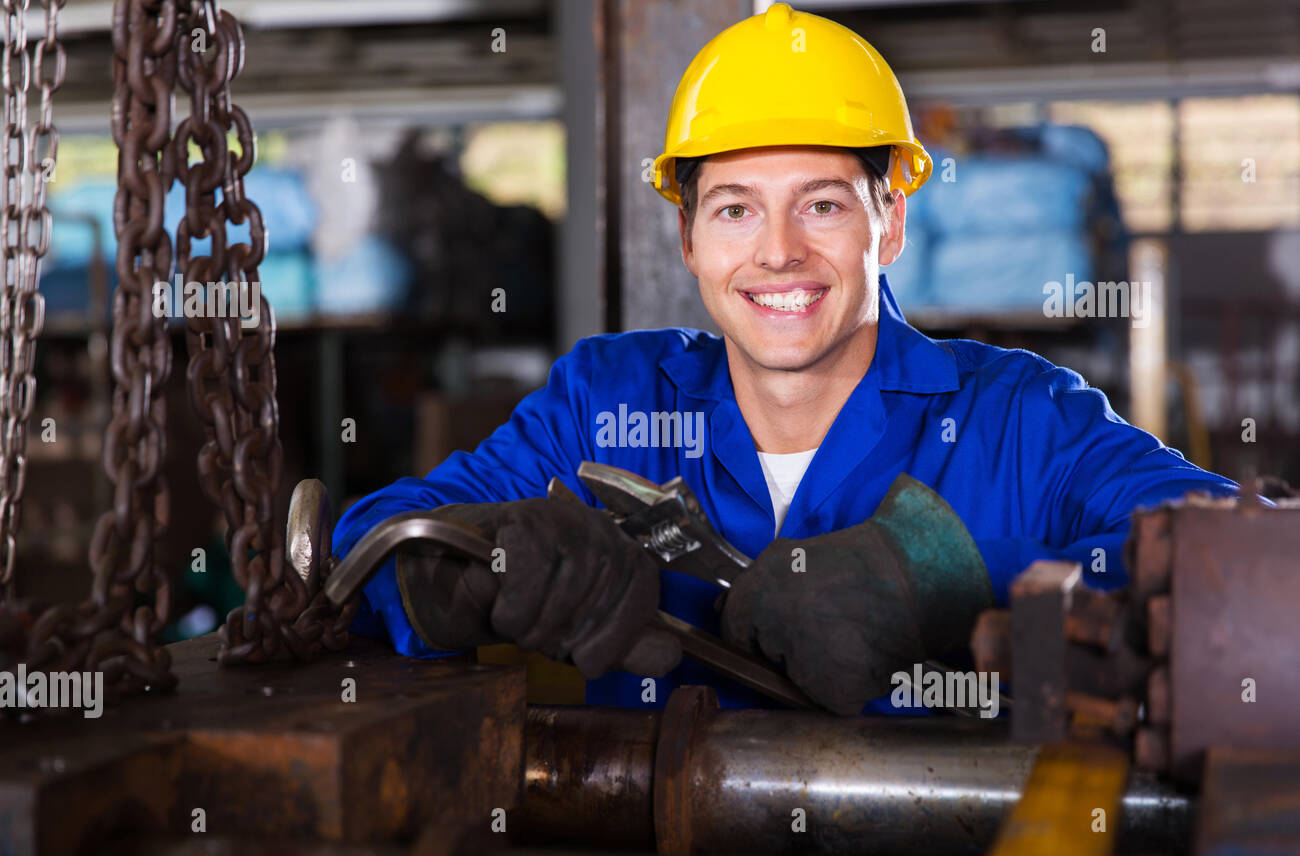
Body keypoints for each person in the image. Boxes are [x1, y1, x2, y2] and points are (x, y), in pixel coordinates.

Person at [331, 3, 1237, 715]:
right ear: (687, 238)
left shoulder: (1020, 420)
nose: (777, 254)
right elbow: (375, 545)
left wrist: (956, 581)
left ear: (890, 222)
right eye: (733, 209)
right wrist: (469, 579)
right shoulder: (603, 402)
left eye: (823, 205)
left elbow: (1234, 554)